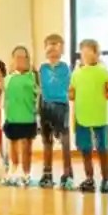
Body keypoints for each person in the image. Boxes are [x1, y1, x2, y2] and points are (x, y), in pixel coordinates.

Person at [69, 39, 108, 193]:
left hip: (100, 118)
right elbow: (71, 93)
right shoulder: (76, 73)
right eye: (83, 52)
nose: (87, 55)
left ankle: (106, 180)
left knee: (103, 149)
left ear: (97, 53)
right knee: (85, 149)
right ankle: (89, 179)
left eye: (90, 51)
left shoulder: (104, 71)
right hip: (82, 117)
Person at [38, 34, 74, 189]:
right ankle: (47, 173)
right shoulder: (42, 68)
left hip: (61, 105)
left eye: (56, 44)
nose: (53, 48)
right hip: (45, 105)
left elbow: (67, 85)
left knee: (65, 141)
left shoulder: (65, 67)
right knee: (47, 141)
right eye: (50, 44)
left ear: (62, 48)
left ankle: (67, 173)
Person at [2, 46, 38, 187]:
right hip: (12, 118)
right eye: (17, 57)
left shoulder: (32, 77)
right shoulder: (8, 79)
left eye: (23, 57)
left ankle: (26, 173)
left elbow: (38, 94)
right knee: (13, 145)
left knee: (26, 147)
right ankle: (13, 171)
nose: (20, 60)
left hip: (28, 118)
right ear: (12, 60)